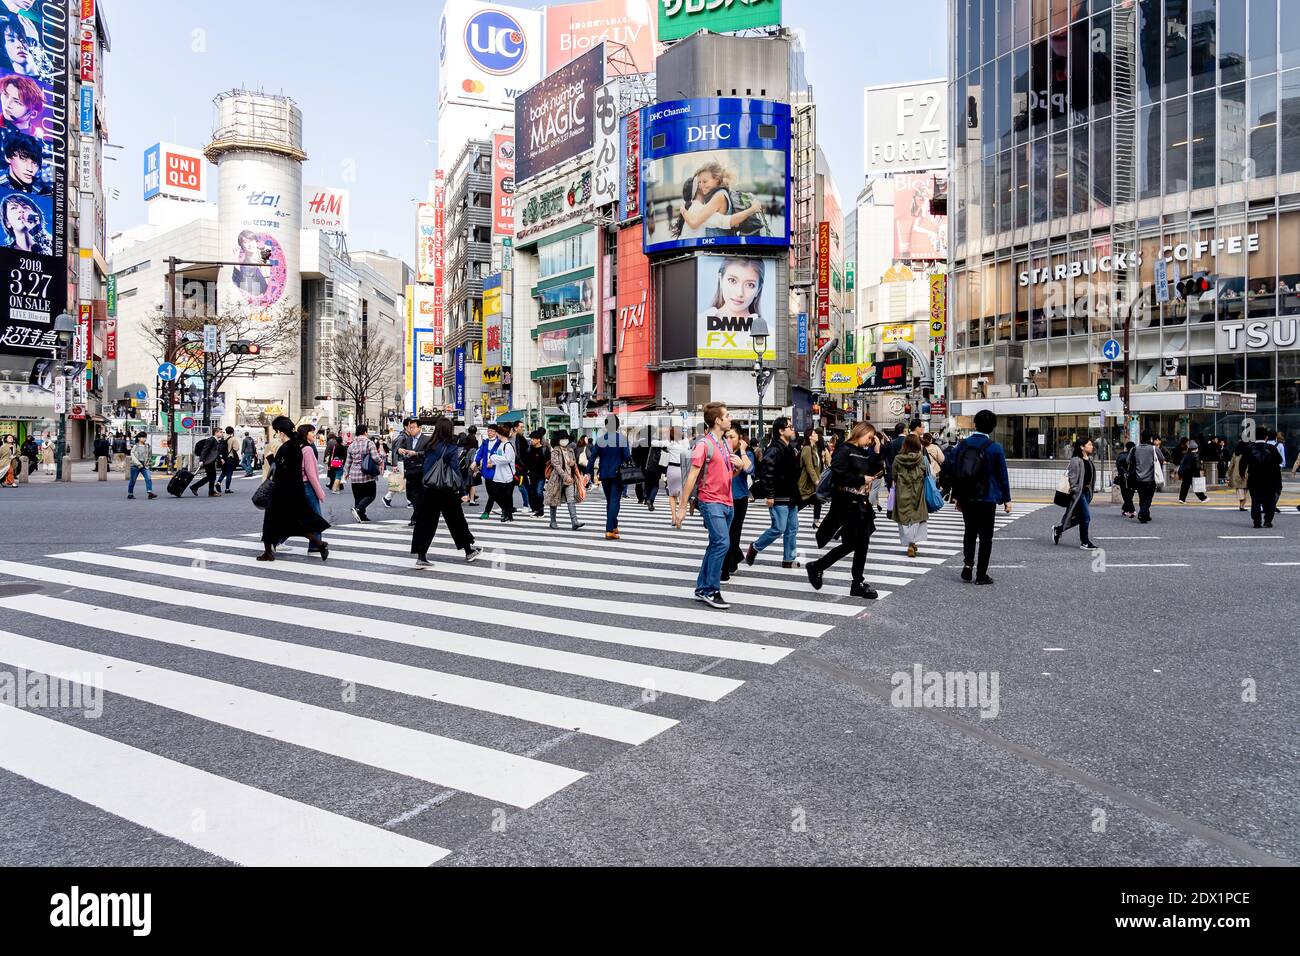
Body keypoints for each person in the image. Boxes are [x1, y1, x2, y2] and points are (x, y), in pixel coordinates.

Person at [675, 402, 744, 610]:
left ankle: (702, 587)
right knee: (722, 543)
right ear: (718, 420)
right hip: (710, 501)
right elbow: (691, 477)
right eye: (727, 415)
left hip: (727, 501)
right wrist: (681, 507)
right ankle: (710, 590)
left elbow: (728, 475)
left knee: (716, 544)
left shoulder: (725, 444)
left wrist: (739, 468)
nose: (730, 419)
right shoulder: (704, 445)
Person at [807, 422, 884, 600]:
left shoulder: (865, 453)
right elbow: (838, 473)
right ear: (861, 432)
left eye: (872, 439)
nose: (870, 441)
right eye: (869, 437)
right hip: (847, 503)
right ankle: (851, 581)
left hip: (861, 504)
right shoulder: (844, 449)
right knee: (857, 543)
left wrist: (877, 452)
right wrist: (860, 479)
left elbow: (876, 470)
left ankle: (823, 569)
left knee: (860, 543)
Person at [943, 409, 1012, 585]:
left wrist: (956, 496)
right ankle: (981, 575)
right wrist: (1006, 499)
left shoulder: (962, 445)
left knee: (969, 532)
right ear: (992, 427)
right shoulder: (995, 448)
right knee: (986, 537)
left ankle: (967, 565)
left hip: (967, 497)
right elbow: (1002, 475)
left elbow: (955, 472)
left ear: (975, 424)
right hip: (987, 498)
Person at [412, 417, 482, 569]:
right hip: (446, 490)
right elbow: (456, 470)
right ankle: (469, 550)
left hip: (428, 488)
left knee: (425, 522)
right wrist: (463, 491)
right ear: (448, 430)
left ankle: (421, 556)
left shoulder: (428, 444)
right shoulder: (450, 448)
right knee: (456, 520)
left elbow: (424, 462)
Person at [258, 417, 330, 562]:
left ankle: (268, 553)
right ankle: (319, 544)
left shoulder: (286, 448)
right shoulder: (297, 446)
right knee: (296, 524)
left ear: (281, 432)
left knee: (270, 521)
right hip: (294, 490)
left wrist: (271, 458)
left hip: (281, 490)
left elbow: (279, 469)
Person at [746, 417, 802, 569]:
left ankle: (788, 559)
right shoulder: (774, 449)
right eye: (789, 427)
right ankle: (756, 546)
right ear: (781, 431)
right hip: (778, 494)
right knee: (779, 528)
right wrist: (769, 495)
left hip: (791, 494)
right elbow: (766, 473)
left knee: (792, 528)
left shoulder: (789, 447)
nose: (792, 429)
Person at [670, 161, 763, 241]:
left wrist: (683, 211)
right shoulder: (722, 193)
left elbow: (695, 222)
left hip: (717, 250)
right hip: (721, 248)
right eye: (699, 182)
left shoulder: (718, 196)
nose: (701, 186)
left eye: (705, 181)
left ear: (717, 180)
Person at [1053, 438, 1098, 551]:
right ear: (1082, 447)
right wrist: (1075, 491)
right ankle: (1085, 542)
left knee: (1080, 517)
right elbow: (1072, 479)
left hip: (1087, 492)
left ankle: (1058, 530)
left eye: (1091, 444)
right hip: (1079, 493)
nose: (1092, 446)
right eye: (1089, 444)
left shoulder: (1089, 459)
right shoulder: (1075, 460)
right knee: (1086, 517)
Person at [723, 428, 756, 581]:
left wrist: (742, 450)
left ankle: (727, 567)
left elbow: (750, 469)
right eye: (726, 436)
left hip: (738, 498)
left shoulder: (746, 454)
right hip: (720, 498)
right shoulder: (721, 452)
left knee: (733, 534)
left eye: (732, 436)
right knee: (722, 534)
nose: (729, 439)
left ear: (740, 438)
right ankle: (734, 559)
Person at [592, 415, 632, 540]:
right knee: (615, 501)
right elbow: (627, 457)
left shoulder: (600, 440)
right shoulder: (622, 439)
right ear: (617, 425)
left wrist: (588, 472)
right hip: (617, 474)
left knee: (610, 501)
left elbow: (592, 457)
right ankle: (609, 530)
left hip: (604, 474)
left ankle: (614, 526)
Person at [892, 434, 931, 559]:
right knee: (917, 517)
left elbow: (893, 475)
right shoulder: (922, 459)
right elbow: (929, 475)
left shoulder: (898, 459)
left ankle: (909, 543)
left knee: (903, 518)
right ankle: (912, 543)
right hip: (918, 492)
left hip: (902, 492)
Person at [392, 418, 431, 527]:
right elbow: (399, 448)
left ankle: (416, 517)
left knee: (417, 494)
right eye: (410, 427)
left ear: (419, 428)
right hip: (409, 470)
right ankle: (420, 514)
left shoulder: (426, 439)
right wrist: (400, 450)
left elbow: (428, 453)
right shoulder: (408, 439)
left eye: (413, 427)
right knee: (410, 495)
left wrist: (416, 453)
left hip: (420, 469)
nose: (411, 429)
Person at [1241, 430, 1283, 529]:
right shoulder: (1272, 448)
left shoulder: (1249, 448)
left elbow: (1242, 463)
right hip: (1270, 479)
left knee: (1255, 500)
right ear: (1266, 437)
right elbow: (1280, 460)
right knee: (1270, 500)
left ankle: (1257, 522)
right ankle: (1268, 521)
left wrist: (1242, 474)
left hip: (1254, 478)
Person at [544, 430, 585, 531]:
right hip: (557, 479)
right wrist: (564, 475)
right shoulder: (555, 451)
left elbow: (573, 462)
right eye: (562, 438)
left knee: (571, 499)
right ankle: (552, 522)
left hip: (570, 478)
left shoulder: (570, 450)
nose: (565, 440)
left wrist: (573, 463)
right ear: (558, 440)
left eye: (566, 438)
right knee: (554, 499)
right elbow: (556, 464)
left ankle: (574, 522)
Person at [1125, 432, 1167, 524]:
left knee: (1142, 497)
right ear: (1150, 439)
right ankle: (1142, 513)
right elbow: (1162, 458)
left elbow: (1128, 460)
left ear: (1141, 438)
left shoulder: (1134, 449)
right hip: (1150, 478)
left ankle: (1146, 515)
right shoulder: (1154, 449)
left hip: (1138, 478)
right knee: (1148, 498)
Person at [344, 424, 382, 523]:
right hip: (367, 474)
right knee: (371, 495)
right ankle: (359, 509)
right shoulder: (369, 443)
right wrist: (381, 460)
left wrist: (346, 473)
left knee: (358, 497)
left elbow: (348, 461)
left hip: (354, 475)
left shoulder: (351, 445)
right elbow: (375, 458)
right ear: (365, 432)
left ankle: (361, 516)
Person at [486, 422, 518, 522]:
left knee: (505, 497)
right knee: (497, 494)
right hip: (499, 475)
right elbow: (501, 459)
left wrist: (493, 457)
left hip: (507, 476)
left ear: (501, 434)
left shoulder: (508, 445)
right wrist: (493, 463)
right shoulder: (501, 444)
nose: (497, 435)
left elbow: (507, 459)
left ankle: (508, 514)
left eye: (498, 433)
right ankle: (507, 513)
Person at [297, 424, 327, 525]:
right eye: (312, 432)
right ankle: (316, 541)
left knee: (299, 518)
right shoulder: (307, 449)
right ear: (306, 434)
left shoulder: (298, 447)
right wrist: (320, 493)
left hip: (299, 486)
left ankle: (277, 540)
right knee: (317, 520)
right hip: (307, 486)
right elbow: (311, 474)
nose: (315, 435)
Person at [798, 428, 825, 528]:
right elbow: (809, 467)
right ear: (810, 437)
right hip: (806, 482)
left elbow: (817, 466)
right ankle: (789, 516)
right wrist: (817, 481)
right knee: (803, 502)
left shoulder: (815, 448)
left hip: (812, 483)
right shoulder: (807, 448)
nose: (816, 434)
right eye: (814, 433)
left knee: (817, 499)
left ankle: (816, 521)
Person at [663, 427, 691, 523]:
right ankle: (680, 520)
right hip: (682, 470)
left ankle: (674, 517)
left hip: (671, 469)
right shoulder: (686, 442)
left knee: (671, 495)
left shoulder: (669, 444)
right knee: (682, 495)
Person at [189, 427, 223, 497]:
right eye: (220, 432)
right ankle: (209, 491)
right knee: (211, 477)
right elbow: (204, 450)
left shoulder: (216, 440)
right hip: (208, 461)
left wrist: (220, 459)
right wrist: (201, 460)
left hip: (211, 461)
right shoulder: (211, 440)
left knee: (211, 477)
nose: (222, 434)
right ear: (216, 433)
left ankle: (197, 488)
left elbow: (215, 452)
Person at [126, 434, 157, 500]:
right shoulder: (135, 446)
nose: (144, 439)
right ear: (139, 438)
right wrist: (138, 464)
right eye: (143, 437)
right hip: (135, 465)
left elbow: (149, 455)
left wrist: (149, 462)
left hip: (145, 465)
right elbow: (133, 456)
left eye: (145, 437)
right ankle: (130, 494)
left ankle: (150, 492)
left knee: (148, 478)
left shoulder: (147, 446)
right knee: (133, 480)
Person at [1114, 440, 1137, 518]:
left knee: (1125, 495)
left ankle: (1130, 510)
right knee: (1130, 494)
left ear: (1126, 448)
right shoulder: (1136, 456)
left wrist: (1123, 473)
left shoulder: (1121, 455)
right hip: (1133, 478)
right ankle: (1127, 510)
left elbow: (1118, 466)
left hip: (1123, 478)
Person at [1227, 437, 1251, 511]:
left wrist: (1228, 474)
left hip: (1236, 475)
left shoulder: (1235, 453)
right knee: (1246, 490)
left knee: (1240, 491)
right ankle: (1242, 505)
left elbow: (1231, 465)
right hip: (1246, 474)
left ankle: (1241, 505)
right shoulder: (1249, 453)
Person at [219, 426, 239, 493]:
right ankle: (227, 489)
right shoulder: (233, 439)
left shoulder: (222, 438)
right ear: (232, 432)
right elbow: (236, 448)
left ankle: (218, 482)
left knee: (223, 472)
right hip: (230, 458)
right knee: (229, 473)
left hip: (223, 458)